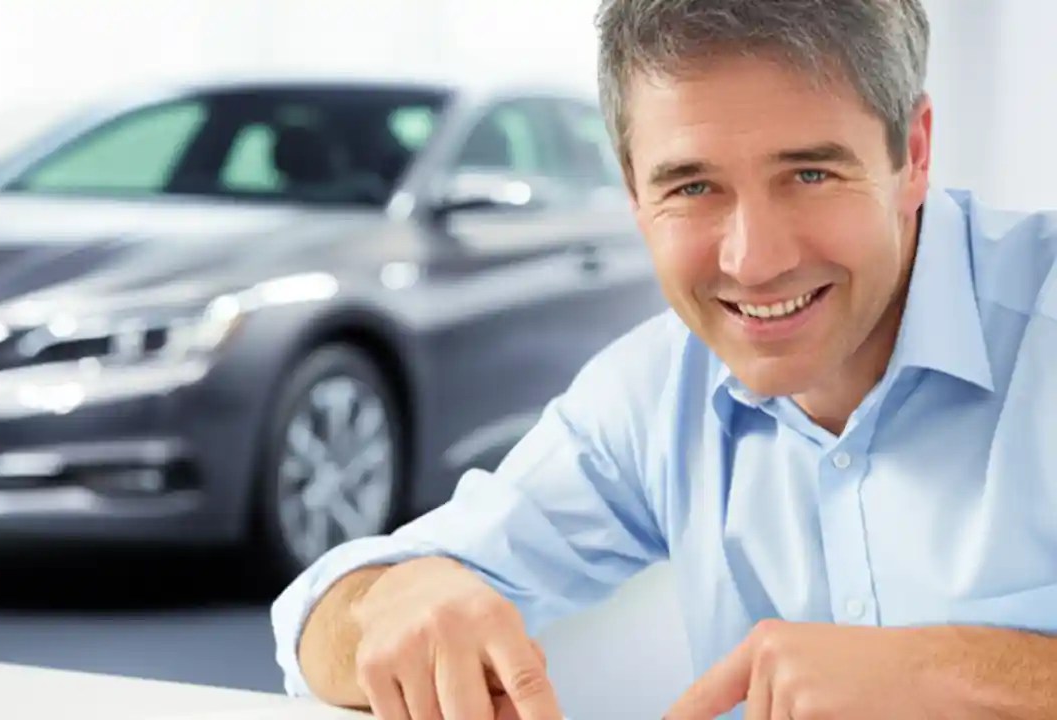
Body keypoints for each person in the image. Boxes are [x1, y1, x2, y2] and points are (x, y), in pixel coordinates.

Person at [272, 0, 1057, 717]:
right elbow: (319, 616)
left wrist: (949, 672)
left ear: (912, 156)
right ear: (634, 192)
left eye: (810, 174)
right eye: (693, 188)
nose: (754, 260)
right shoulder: (655, 391)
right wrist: (393, 608)